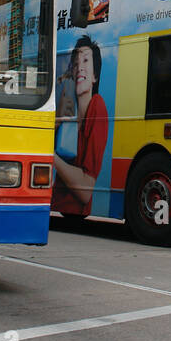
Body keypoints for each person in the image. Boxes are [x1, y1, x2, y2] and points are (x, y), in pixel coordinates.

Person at [52, 36, 107, 217]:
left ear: (94, 76)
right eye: (75, 63)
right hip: (57, 206)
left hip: (75, 209)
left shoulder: (97, 106)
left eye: (85, 61)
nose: (79, 67)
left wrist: (51, 156)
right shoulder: (69, 109)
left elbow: (85, 192)